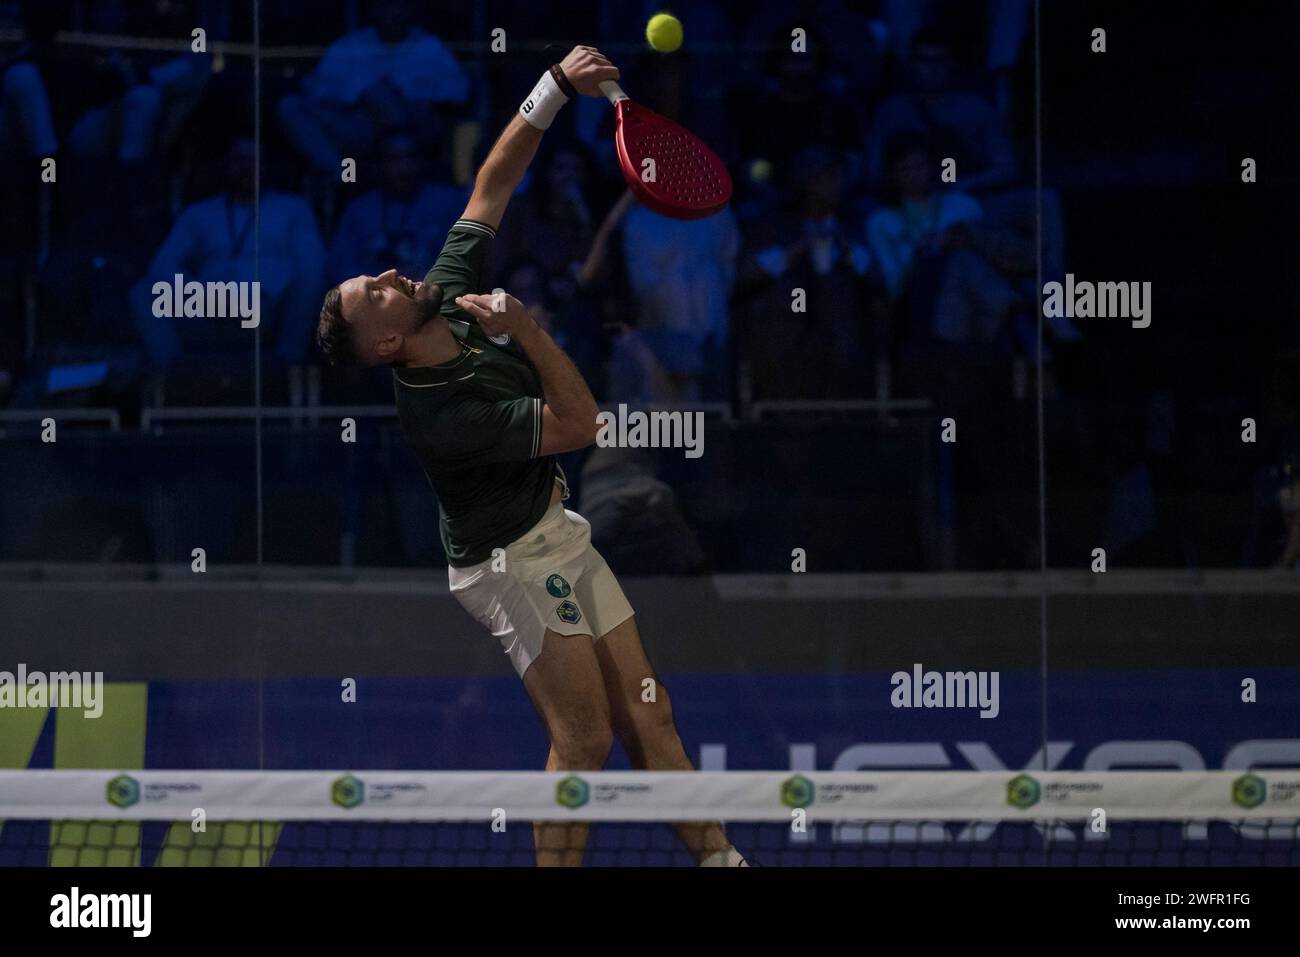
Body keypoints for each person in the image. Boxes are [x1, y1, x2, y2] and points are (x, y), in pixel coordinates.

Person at [314, 46, 746, 868]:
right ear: (391, 340)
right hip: (504, 560)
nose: (385, 272)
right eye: (374, 292)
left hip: (557, 528)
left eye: (372, 276)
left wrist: (553, 86)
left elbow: (494, 180)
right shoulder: (446, 412)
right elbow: (581, 423)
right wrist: (530, 331)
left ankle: (724, 863)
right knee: (583, 740)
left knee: (649, 715)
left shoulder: (444, 288)